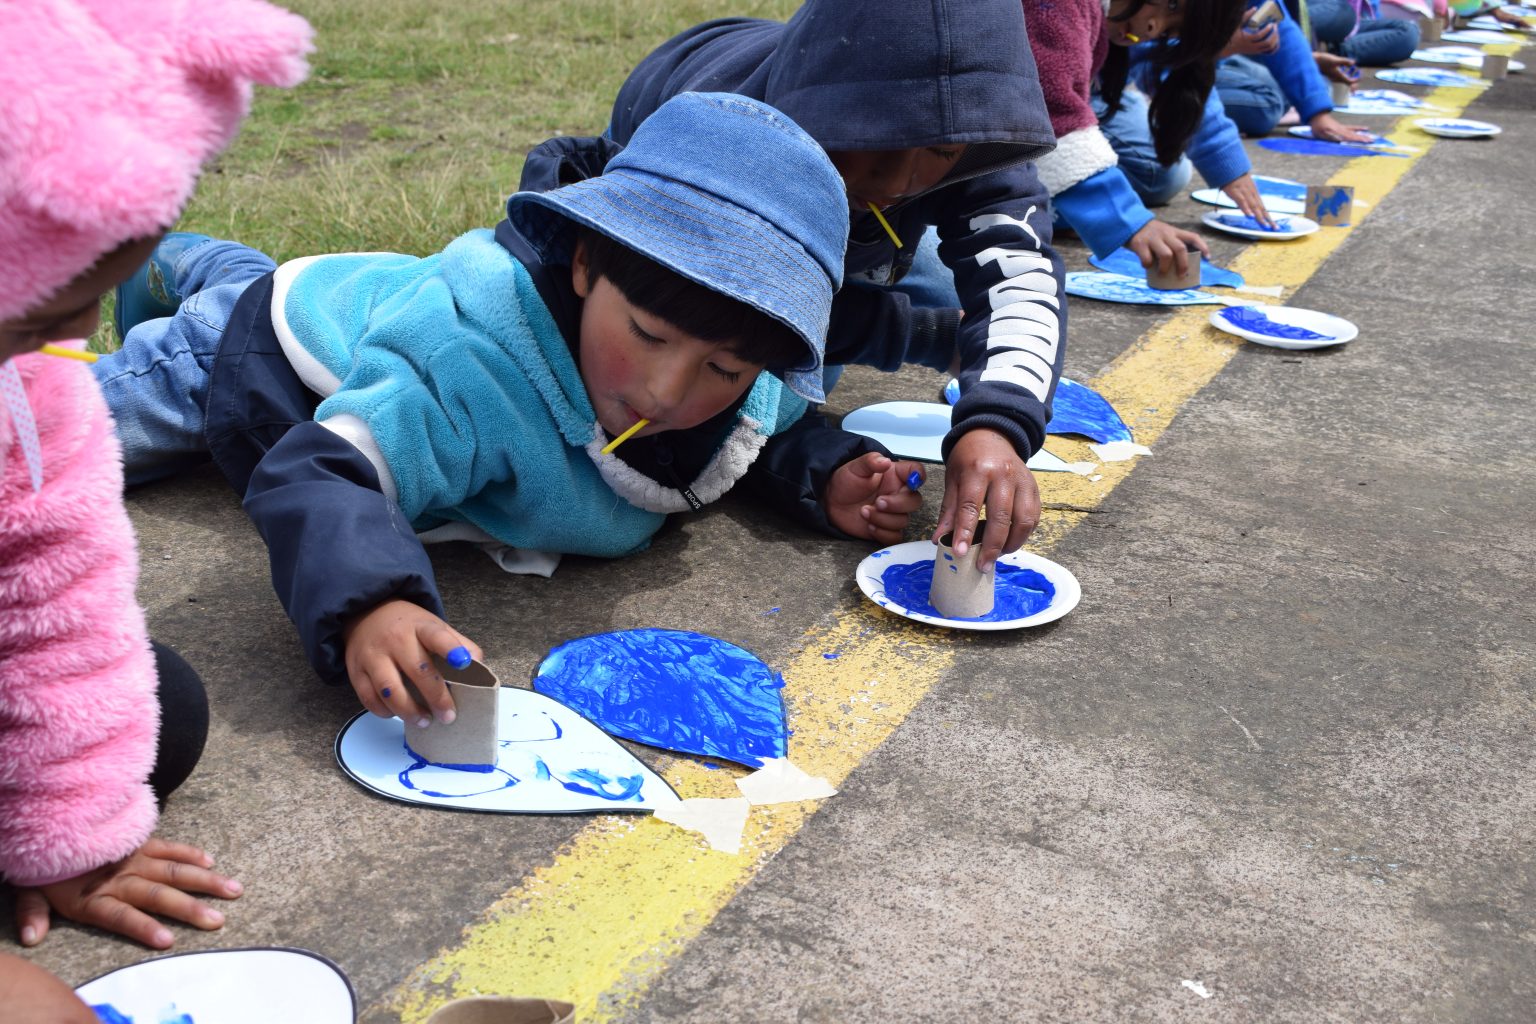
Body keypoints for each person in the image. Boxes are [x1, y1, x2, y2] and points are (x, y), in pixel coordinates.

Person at [94, 91, 925, 727]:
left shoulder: (735, 377)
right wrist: (370, 599)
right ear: (585, 265)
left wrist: (825, 473)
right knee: (60, 449)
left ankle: (204, 260)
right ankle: (185, 265)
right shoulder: (470, 369)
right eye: (646, 335)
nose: (665, 392)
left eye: (723, 367)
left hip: (382, 298)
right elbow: (322, 468)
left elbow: (762, 429)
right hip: (263, 356)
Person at [0, 0, 311, 949]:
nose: (72, 339)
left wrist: (73, 831)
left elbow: (60, 593)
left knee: (158, 712)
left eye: (91, 302)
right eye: (34, 313)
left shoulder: (33, 385)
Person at [608, 0, 1063, 571]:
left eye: (942, 151)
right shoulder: (722, 134)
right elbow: (722, 320)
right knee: (753, 370)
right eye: (877, 140)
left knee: (976, 317)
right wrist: (912, 336)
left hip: (849, 233)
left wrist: (999, 424)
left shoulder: (970, 123)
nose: (897, 181)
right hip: (704, 180)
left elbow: (1019, 278)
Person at [1024, 0, 1247, 277]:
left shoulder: (1115, 17)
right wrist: (1126, 220)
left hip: (1004, 130)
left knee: (1168, 174)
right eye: (1172, 4)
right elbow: (1050, 113)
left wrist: (1224, 155)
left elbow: (1190, 79)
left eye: (1169, 31)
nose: (1154, 27)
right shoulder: (1058, 7)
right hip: (983, 136)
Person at [1215, 0, 1375, 140]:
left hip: (1216, 62)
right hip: (1201, 70)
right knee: (1268, 106)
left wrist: (1318, 114)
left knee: (1300, 92)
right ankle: (1202, 121)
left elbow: (1280, 26)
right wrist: (1225, 46)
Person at [1311, 0, 1421, 65]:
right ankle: (1310, 49)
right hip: (1331, 11)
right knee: (1345, 12)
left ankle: (1332, 52)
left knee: (1408, 32)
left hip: (1349, 24)